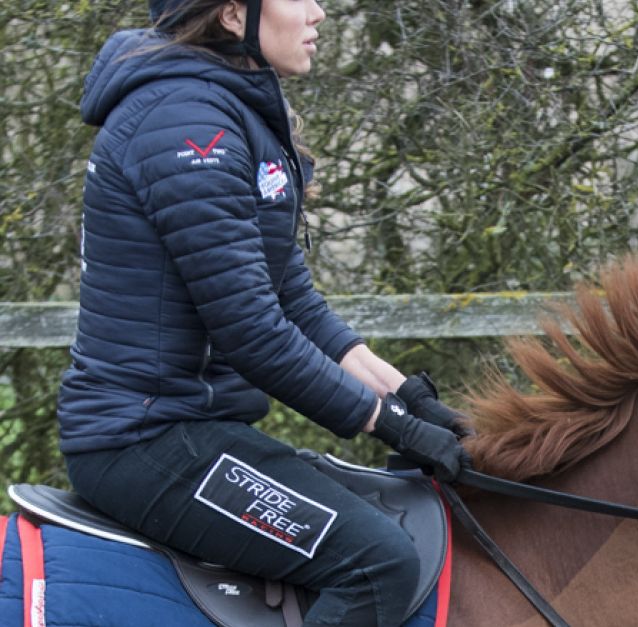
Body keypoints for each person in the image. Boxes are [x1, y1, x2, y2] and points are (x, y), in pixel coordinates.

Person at [56, 0, 472, 624]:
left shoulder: (233, 109)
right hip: (141, 442)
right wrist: (388, 424)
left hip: (198, 431)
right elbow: (252, 330)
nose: (319, 13)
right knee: (376, 561)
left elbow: (292, 299)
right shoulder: (186, 123)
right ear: (231, 14)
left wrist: (411, 398)